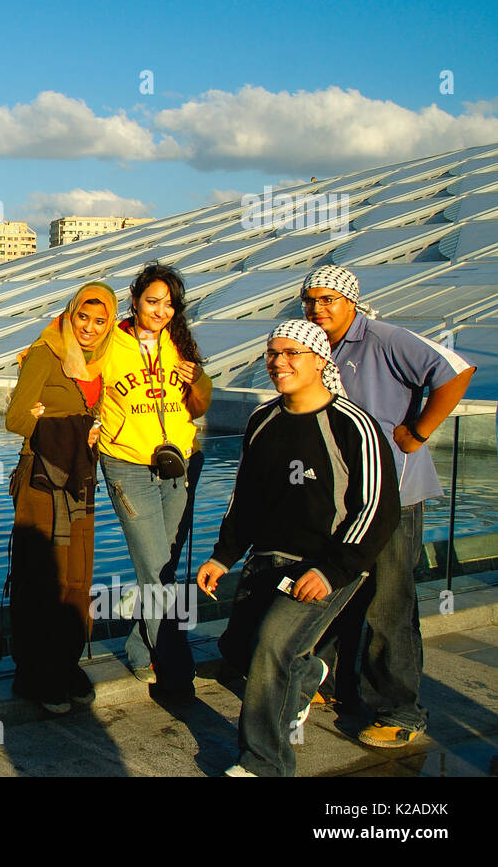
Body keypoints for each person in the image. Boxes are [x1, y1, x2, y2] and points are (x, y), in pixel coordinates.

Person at [199, 320, 399, 777]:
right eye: (272, 354)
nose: (279, 363)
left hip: (323, 565)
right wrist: (222, 555)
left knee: (273, 647)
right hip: (269, 560)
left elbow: (377, 508)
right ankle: (308, 674)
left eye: (291, 354)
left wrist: (332, 570)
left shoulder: (353, 425)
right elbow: (245, 498)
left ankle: (262, 764)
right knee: (241, 651)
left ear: (319, 360)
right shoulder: (263, 420)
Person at [301, 265, 475, 747]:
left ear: (351, 302)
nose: (318, 309)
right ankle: (334, 686)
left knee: (389, 603)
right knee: (343, 590)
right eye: (311, 300)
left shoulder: (383, 337)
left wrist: (417, 432)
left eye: (328, 300)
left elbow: (458, 372)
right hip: (346, 495)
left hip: (392, 494)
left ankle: (400, 710)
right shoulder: (318, 348)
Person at [98, 264, 212, 701]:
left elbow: (201, 403)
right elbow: (77, 374)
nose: (161, 311)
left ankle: (138, 648)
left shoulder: (178, 343)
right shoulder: (110, 342)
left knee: (163, 563)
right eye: (153, 301)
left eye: (169, 303)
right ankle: (174, 659)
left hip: (178, 464)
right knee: (155, 568)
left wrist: (196, 379)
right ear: (134, 301)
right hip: (127, 465)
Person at [5, 281, 118, 711]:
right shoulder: (46, 352)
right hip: (41, 479)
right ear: (70, 315)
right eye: (82, 317)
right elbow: (16, 418)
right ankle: (33, 672)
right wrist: (63, 424)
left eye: (99, 320)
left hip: (79, 479)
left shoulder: (105, 360)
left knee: (77, 574)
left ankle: (66, 662)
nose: (89, 328)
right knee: (38, 576)